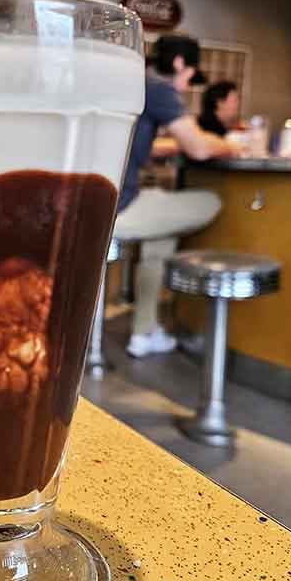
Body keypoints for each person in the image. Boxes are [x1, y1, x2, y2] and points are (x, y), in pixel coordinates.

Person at [115, 34, 238, 358]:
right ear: (180, 64)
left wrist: (172, 145)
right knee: (211, 201)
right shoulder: (160, 87)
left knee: (162, 229)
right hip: (121, 208)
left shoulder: (136, 82)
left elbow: (144, 143)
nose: (185, 86)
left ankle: (145, 333)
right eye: (187, 77)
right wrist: (233, 145)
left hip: (103, 202)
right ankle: (144, 330)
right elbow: (198, 148)